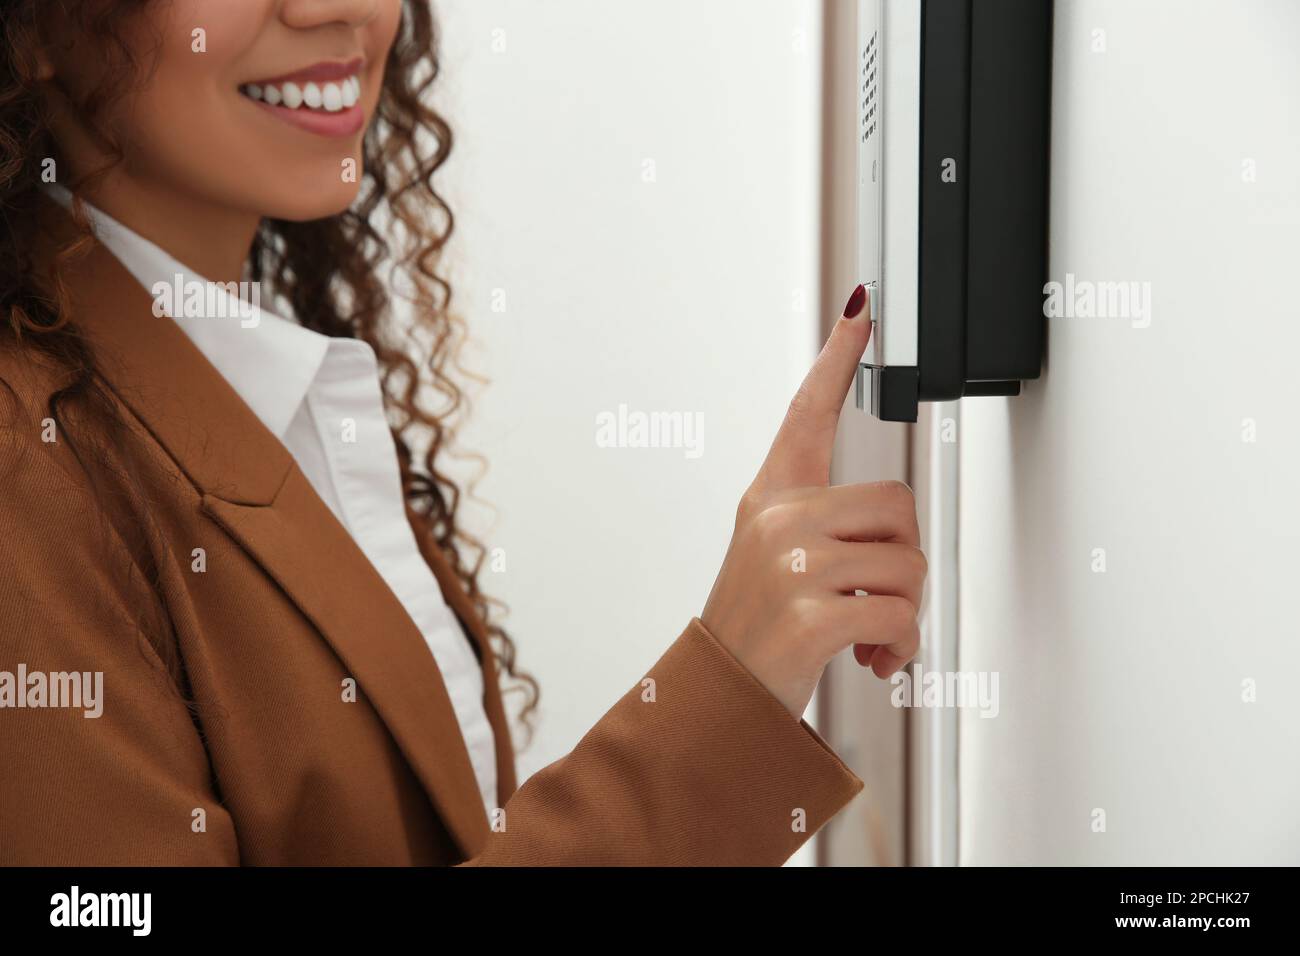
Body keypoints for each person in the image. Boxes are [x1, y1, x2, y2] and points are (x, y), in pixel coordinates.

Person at [0, 0, 925, 865]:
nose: (332, 8)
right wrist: (726, 700)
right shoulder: (23, 464)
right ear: (33, 26)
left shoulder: (258, 385)